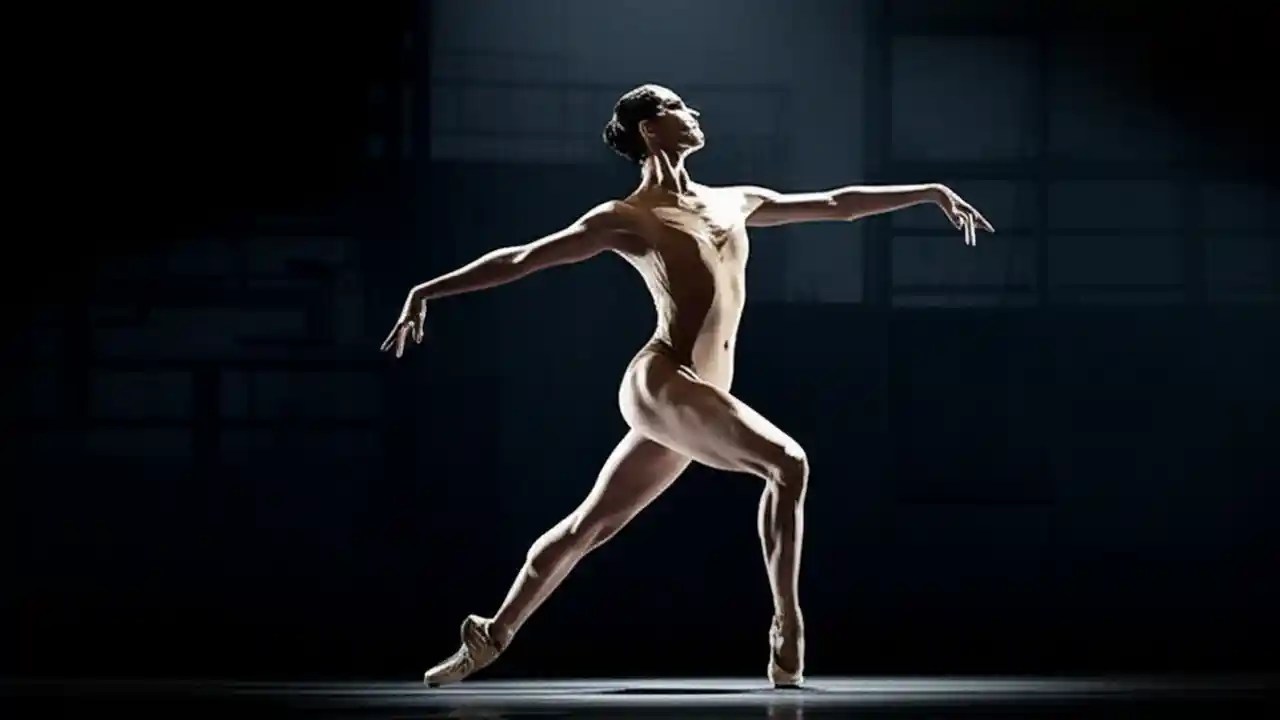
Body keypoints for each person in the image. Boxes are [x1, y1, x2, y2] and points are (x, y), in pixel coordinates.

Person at [382, 83, 994, 688]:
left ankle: (489, 636)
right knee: (788, 462)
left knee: (590, 526)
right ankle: (788, 625)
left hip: (696, 397)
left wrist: (929, 191)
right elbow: (524, 258)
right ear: (650, 129)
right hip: (660, 379)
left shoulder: (737, 200)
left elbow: (837, 203)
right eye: (677, 106)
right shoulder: (627, 217)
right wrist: (424, 291)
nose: (693, 112)